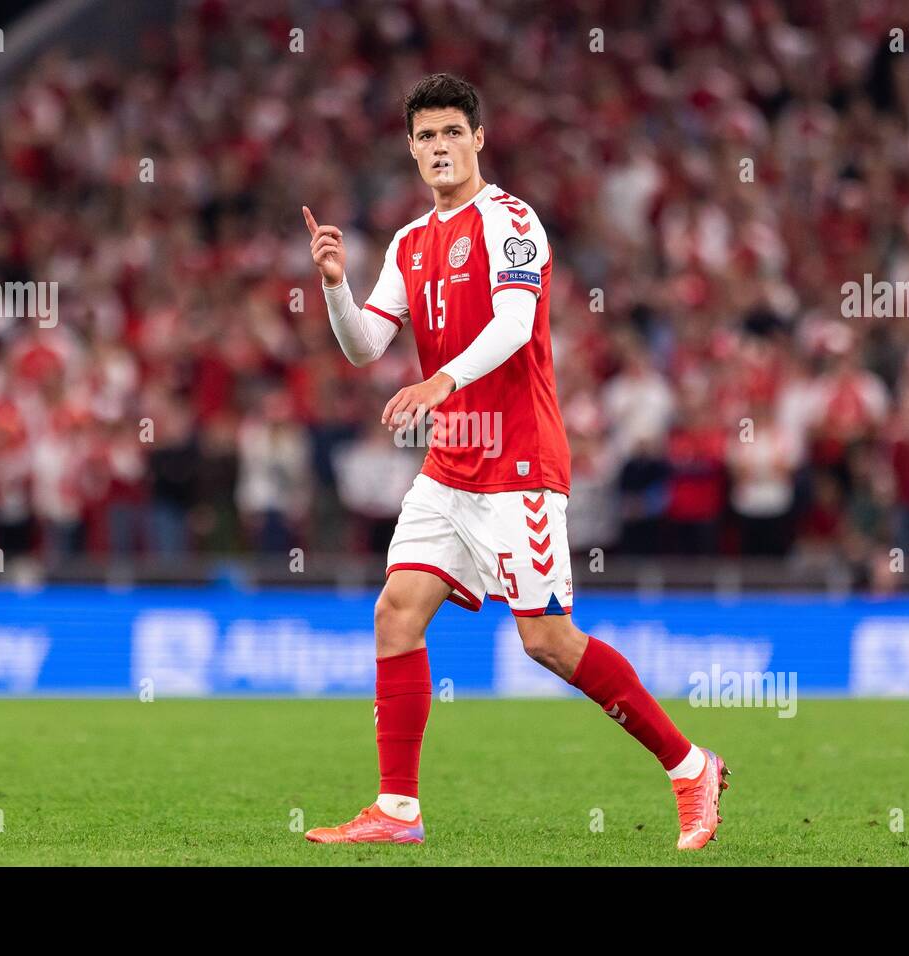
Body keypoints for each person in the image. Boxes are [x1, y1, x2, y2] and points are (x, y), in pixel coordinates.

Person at [300, 73, 729, 850]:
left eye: (451, 133)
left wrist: (440, 378)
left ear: (477, 139)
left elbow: (514, 319)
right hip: (448, 464)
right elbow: (365, 346)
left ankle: (688, 765)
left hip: (519, 464)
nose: (438, 147)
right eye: (425, 136)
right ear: (411, 147)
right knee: (396, 611)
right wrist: (336, 287)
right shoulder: (407, 242)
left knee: (547, 642)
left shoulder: (511, 221)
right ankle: (397, 810)